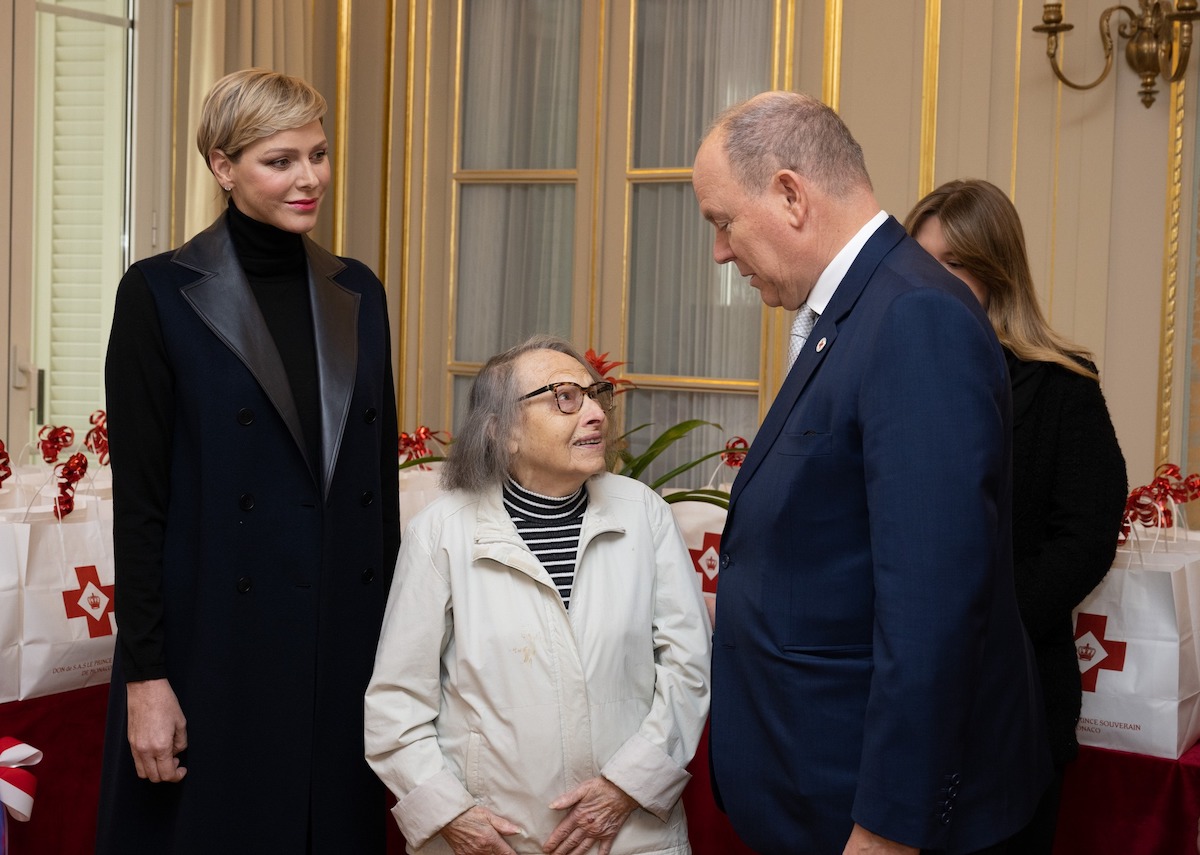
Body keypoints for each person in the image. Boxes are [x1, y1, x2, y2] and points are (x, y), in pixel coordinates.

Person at [690, 90, 1053, 855]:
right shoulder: (855, 311)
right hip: (814, 785)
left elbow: (933, 608)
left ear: (790, 194)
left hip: (871, 817)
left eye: (722, 222)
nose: (720, 252)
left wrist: (889, 828)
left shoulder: (916, 317)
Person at [96, 68, 400, 854]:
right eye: (281, 159)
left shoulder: (360, 292)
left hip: (343, 655)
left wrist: (403, 668)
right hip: (215, 654)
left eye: (320, 154)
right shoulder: (159, 293)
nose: (310, 178)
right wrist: (147, 678)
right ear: (223, 168)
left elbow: (377, 495)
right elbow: (142, 507)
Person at [364, 334, 711, 855]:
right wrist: (451, 816)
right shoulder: (441, 532)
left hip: (630, 833)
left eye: (596, 394)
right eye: (565, 397)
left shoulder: (644, 512)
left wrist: (626, 787)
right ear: (501, 431)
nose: (595, 412)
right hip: (492, 838)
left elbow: (688, 668)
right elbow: (397, 701)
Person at [905, 178, 1127, 853]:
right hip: (907, 696)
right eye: (920, 263)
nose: (929, 281)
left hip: (1017, 691)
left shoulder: (1064, 383)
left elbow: (1085, 539)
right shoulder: (898, 376)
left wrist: (984, 626)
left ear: (997, 272)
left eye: (950, 264)